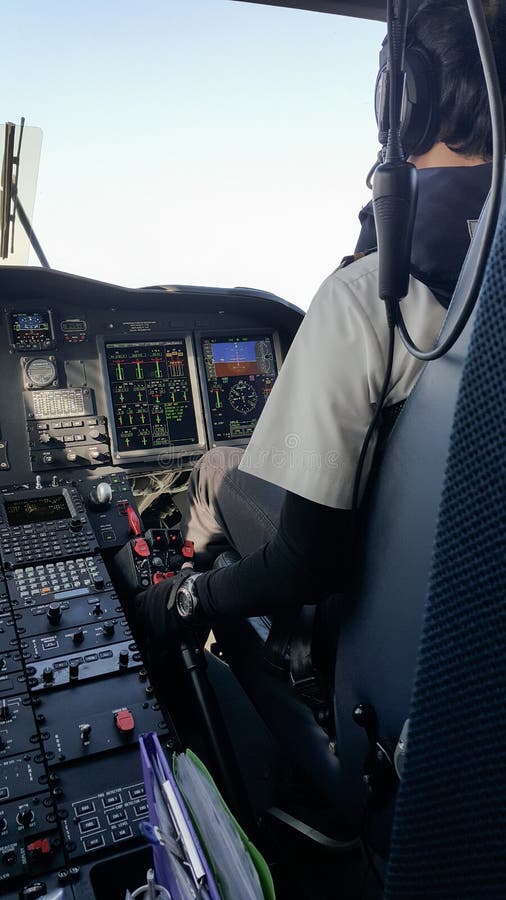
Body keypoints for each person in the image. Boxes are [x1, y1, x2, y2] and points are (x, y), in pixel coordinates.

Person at [130, 0, 506, 691]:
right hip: (468, 615)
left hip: (369, 638)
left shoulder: (370, 297)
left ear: (404, 101)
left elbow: (307, 563)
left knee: (218, 463)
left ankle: (188, 574)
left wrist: (185, 599)